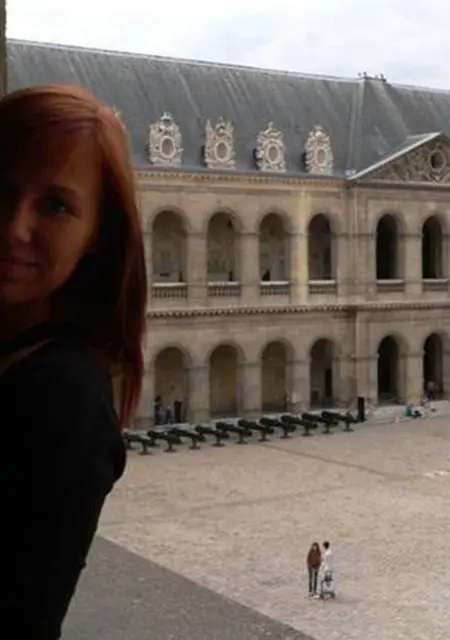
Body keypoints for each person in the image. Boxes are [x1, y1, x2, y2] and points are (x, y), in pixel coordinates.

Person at [0, 85, 147, 639]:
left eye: (56, 205)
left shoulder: (61, 397)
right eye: (1, 190)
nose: (14, 228)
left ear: (97, 236)